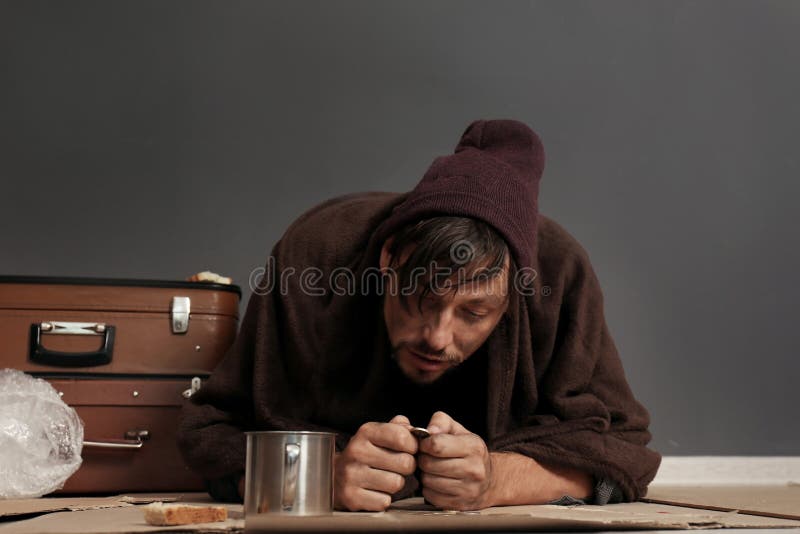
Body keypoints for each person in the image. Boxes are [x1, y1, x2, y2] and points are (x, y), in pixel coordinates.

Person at [177, 119, 661, 511]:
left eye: (474, 312)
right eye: (421, 300)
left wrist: (497, 480)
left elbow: (623, 453)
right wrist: (321, 476)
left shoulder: (559, 274)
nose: (437, 337)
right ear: (388, 259)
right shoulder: (315, 255)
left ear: (512, 300)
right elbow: (212, 434)